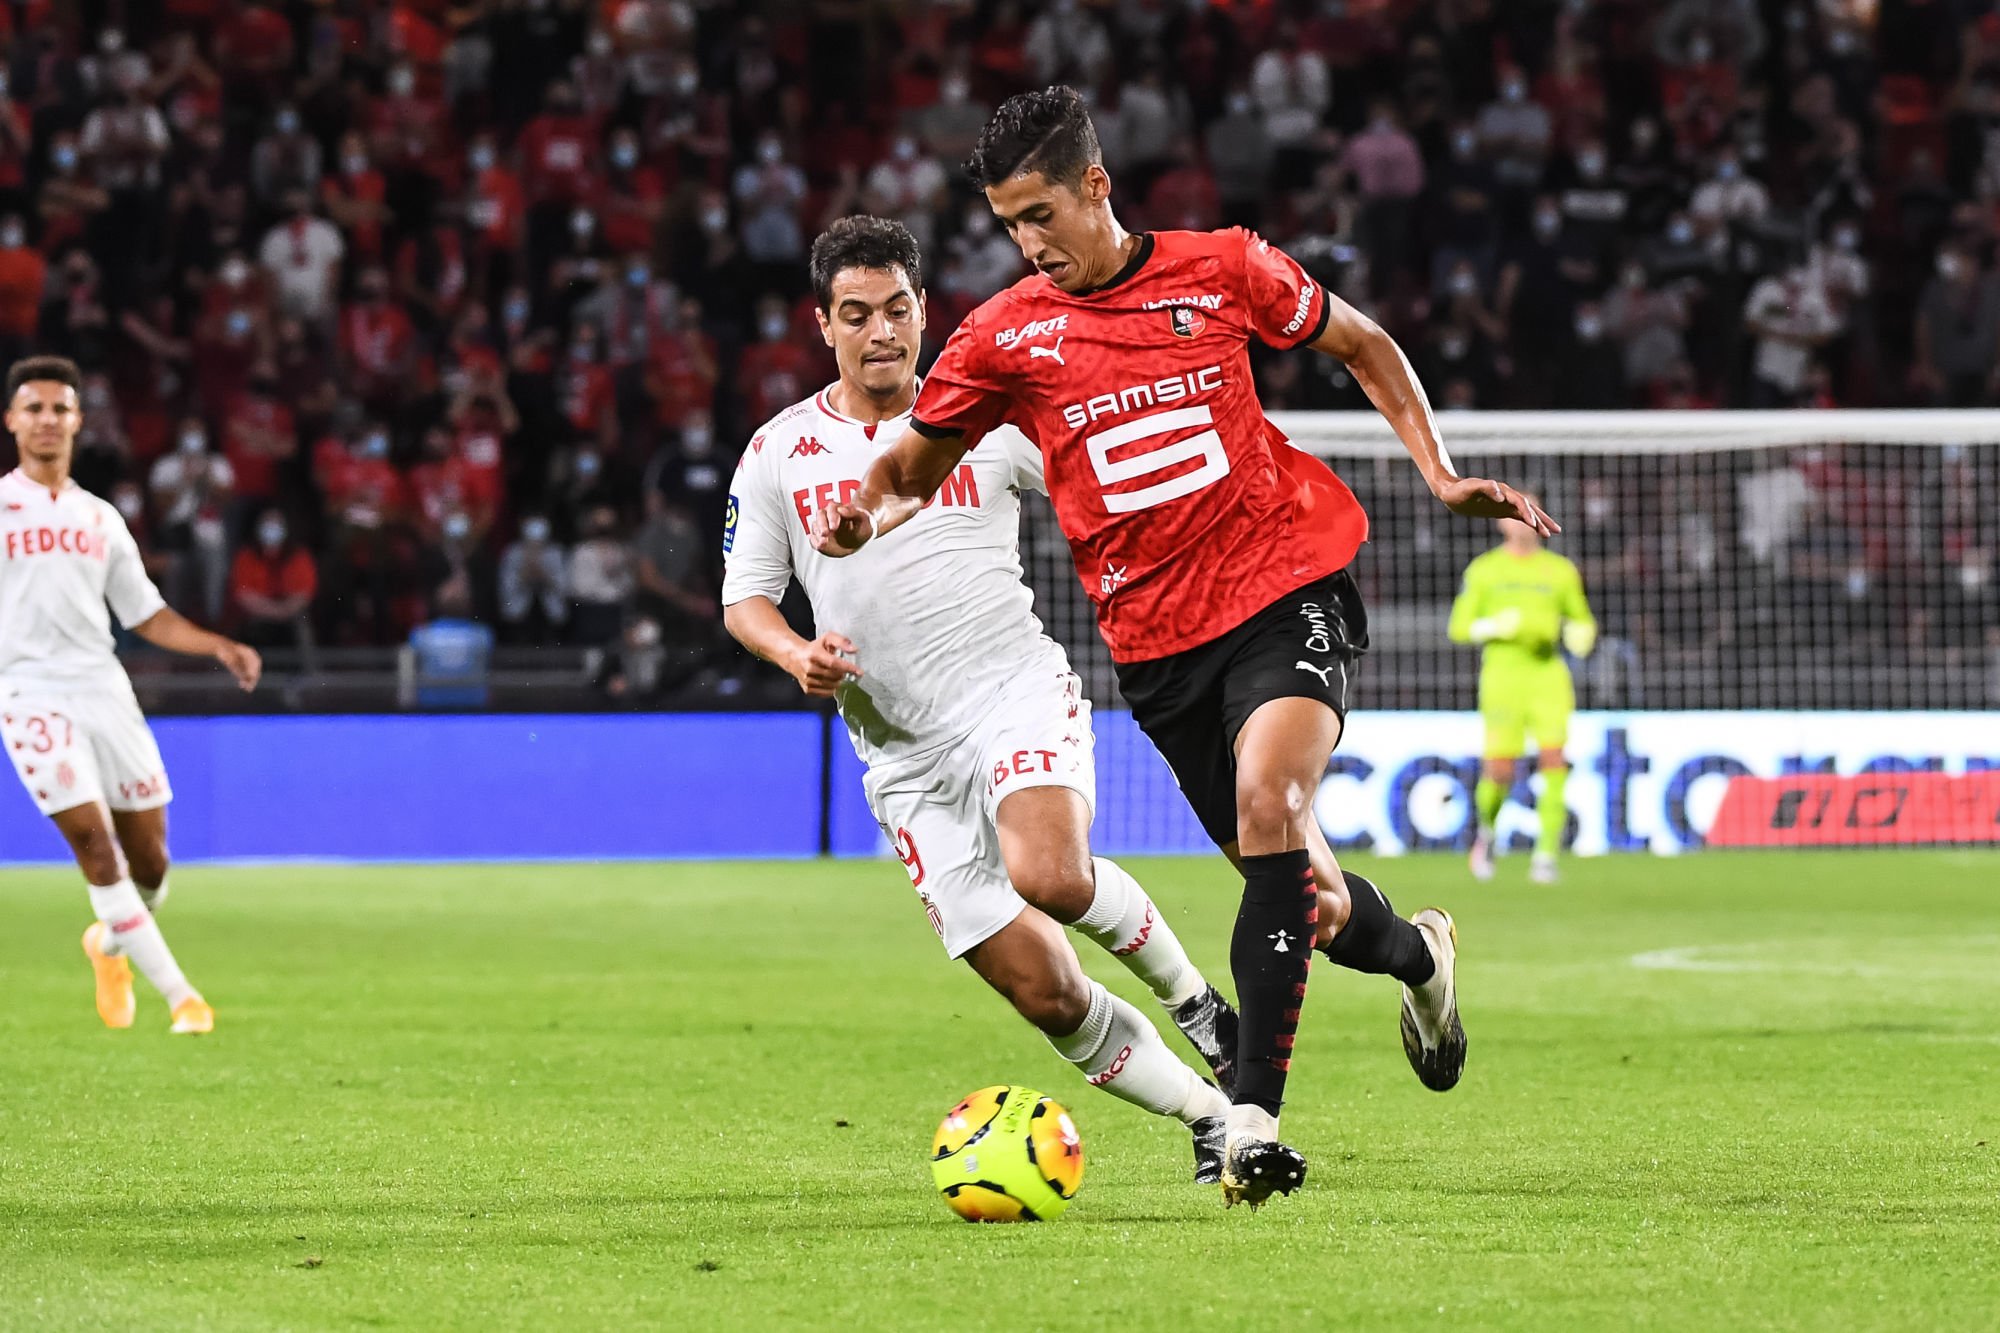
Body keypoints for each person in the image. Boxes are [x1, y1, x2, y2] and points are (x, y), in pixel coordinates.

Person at [811, 88, 1553, 1207]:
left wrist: (1439, 473)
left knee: (1269, 804)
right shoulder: (1007, 332)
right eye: (1009, 224)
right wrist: (867, 510)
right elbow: (910, 463)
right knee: (1306, 894)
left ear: (1095, 187)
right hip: (1157, 650)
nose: (1027, 242)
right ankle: (1418, 956)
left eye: (1041, 213)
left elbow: (1359, 341)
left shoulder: (1223, 268)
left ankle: (1247, 1121)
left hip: (1283, 584)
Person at [724, 217, 1239, 1184]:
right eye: (857, 314)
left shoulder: (987, 423)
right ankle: (1214, 1116)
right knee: (1048, 993)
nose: (881, 332)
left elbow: (1100, 495)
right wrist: (796, 653)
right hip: (905, 761)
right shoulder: (779, 453)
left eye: (898, 310)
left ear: (924, 313)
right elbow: (742, 598)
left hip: (1012, 692)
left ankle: (1200, 1004)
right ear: (822, 325)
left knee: (1048, 871)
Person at [0, 356, 262, 1034]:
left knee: (150, 862)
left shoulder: (100, 517)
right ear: (12, 421)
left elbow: (144, 614)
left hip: (104, 689)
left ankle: (107, 942)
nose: (48, 420)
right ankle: (184, 997)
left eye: (60, 408)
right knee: (94, 842)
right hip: (30, 693)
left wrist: (217, 645)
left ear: (79, 421)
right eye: (34, 408)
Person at [1449, 509, 1598, 885]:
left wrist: (1582, 633)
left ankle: (1545, 854)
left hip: (1548, 674)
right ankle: (1486, 833)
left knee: (1554, 759)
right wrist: (1494, 626)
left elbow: (1580, 617)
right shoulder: (1484, 570)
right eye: (1516, 516)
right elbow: (1459, 627)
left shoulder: (1561, 571)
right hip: (1503, 676)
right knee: (1500, 769)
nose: (1524, 523)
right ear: (1502, 522)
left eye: (1531, 516)